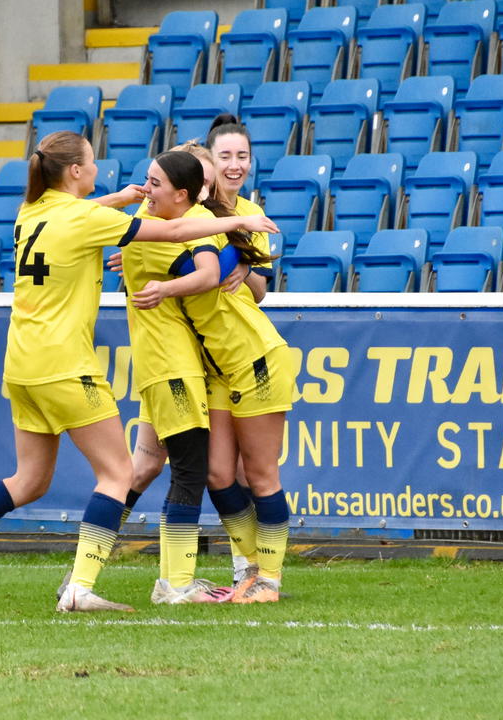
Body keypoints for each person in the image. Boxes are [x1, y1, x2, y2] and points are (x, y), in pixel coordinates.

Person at [0, 130, 279, 612]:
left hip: (21, 362)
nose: (100, 171)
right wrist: (243, 221)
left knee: (29, 480)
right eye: (93, 163)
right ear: (75, 171)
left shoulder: (31, 212)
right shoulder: (87, 219)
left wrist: (121, 198)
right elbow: (177, 231)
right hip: (65, 362)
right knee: (119, 471)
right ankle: (85, 588)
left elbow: (95, 211)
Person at [132, 115, 294, 603]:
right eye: (219, 160)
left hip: (256, 357)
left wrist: (235, 258)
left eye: (237, 157)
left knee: (261, 476)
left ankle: (268, 579)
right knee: (220, 474)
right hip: (218, 368)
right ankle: (248, 569)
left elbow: (214, 272)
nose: (227, 169)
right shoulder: (183, 227)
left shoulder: (206, 225)